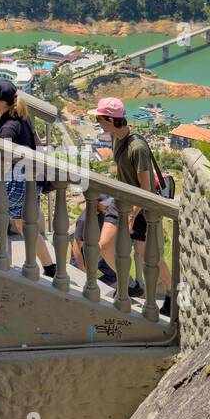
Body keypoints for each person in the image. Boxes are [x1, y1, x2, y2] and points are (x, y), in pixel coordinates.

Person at [87, 96, 173, 317]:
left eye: (100, 119)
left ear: (111, 119)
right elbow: (123, 172)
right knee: (104, 245)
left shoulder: (138, 147)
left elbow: (145, 190)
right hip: (122, 201)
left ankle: (173, 295)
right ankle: (132, 284)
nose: (98, 123)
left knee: (149, 256)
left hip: (142, 208)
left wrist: (133, 215)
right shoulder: (116, 138)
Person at [0, 78, 56, 277]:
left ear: (1, 102)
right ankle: (50, 268)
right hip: (31, 182)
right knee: (22, 224)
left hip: (15, 184)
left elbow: (3, 158)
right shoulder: (22, 116)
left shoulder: (8, 126)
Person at [71, 194, 118, 286]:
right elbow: (76, 248)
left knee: (114, 275)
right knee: (83, 285)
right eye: (105, 203)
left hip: (97, 256)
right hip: (82, 259)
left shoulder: (102, 213)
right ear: (95, 202)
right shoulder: (84, 220)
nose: (108, 206)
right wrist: (82, 268)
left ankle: (99, 285)